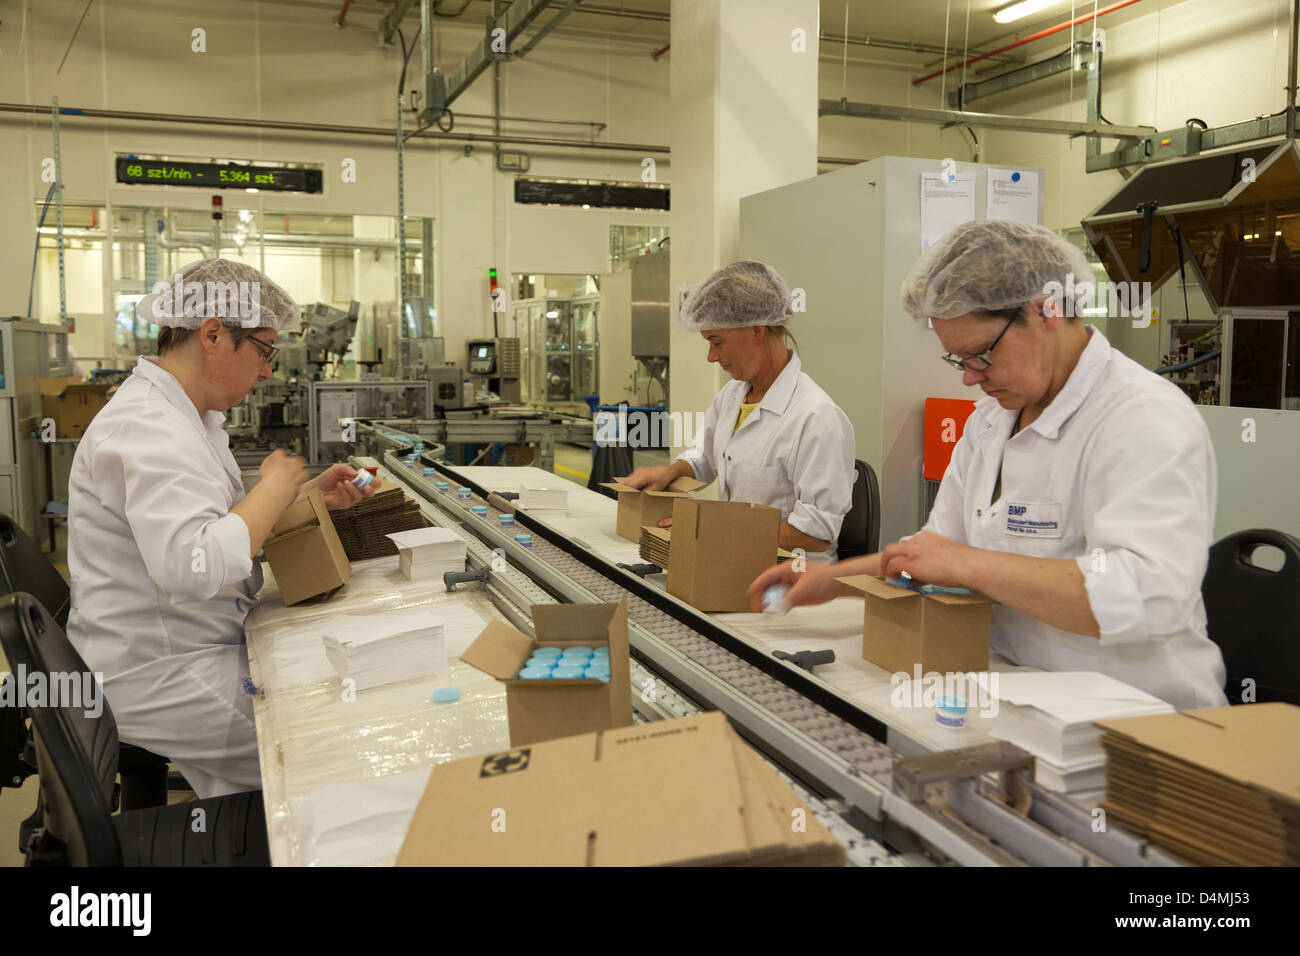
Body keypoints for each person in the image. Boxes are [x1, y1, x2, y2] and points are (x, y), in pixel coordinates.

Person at [748, 221, 1227, 710]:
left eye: (981, 356)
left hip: (1135, 717)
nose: (970, 380)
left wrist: (969, 566)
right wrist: (831, 581)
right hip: (1015, 691)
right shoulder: (990, 422)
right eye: (959, 361)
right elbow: (934, 553)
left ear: (1048, 310)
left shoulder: (1141, 417)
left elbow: (1150, 597)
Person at [66, 259, 377, 798]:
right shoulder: (146, 425)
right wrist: (271, 490)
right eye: (263, 350)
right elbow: (193, 566)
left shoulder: (191, 419)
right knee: (326, 757)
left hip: (196, 643)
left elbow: (224, 527)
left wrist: (305, 498)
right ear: (213, 334)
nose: (267, 372)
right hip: (159, 670)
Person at [622, 260, 855, 558]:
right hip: (735, 560)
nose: (711, 356)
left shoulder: (816, 417)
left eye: (717, 342)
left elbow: (816, 533)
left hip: (790, 579)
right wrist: (670, 471)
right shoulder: (732, 396)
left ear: (757, 331)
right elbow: (706, 458)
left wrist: (715, 528)